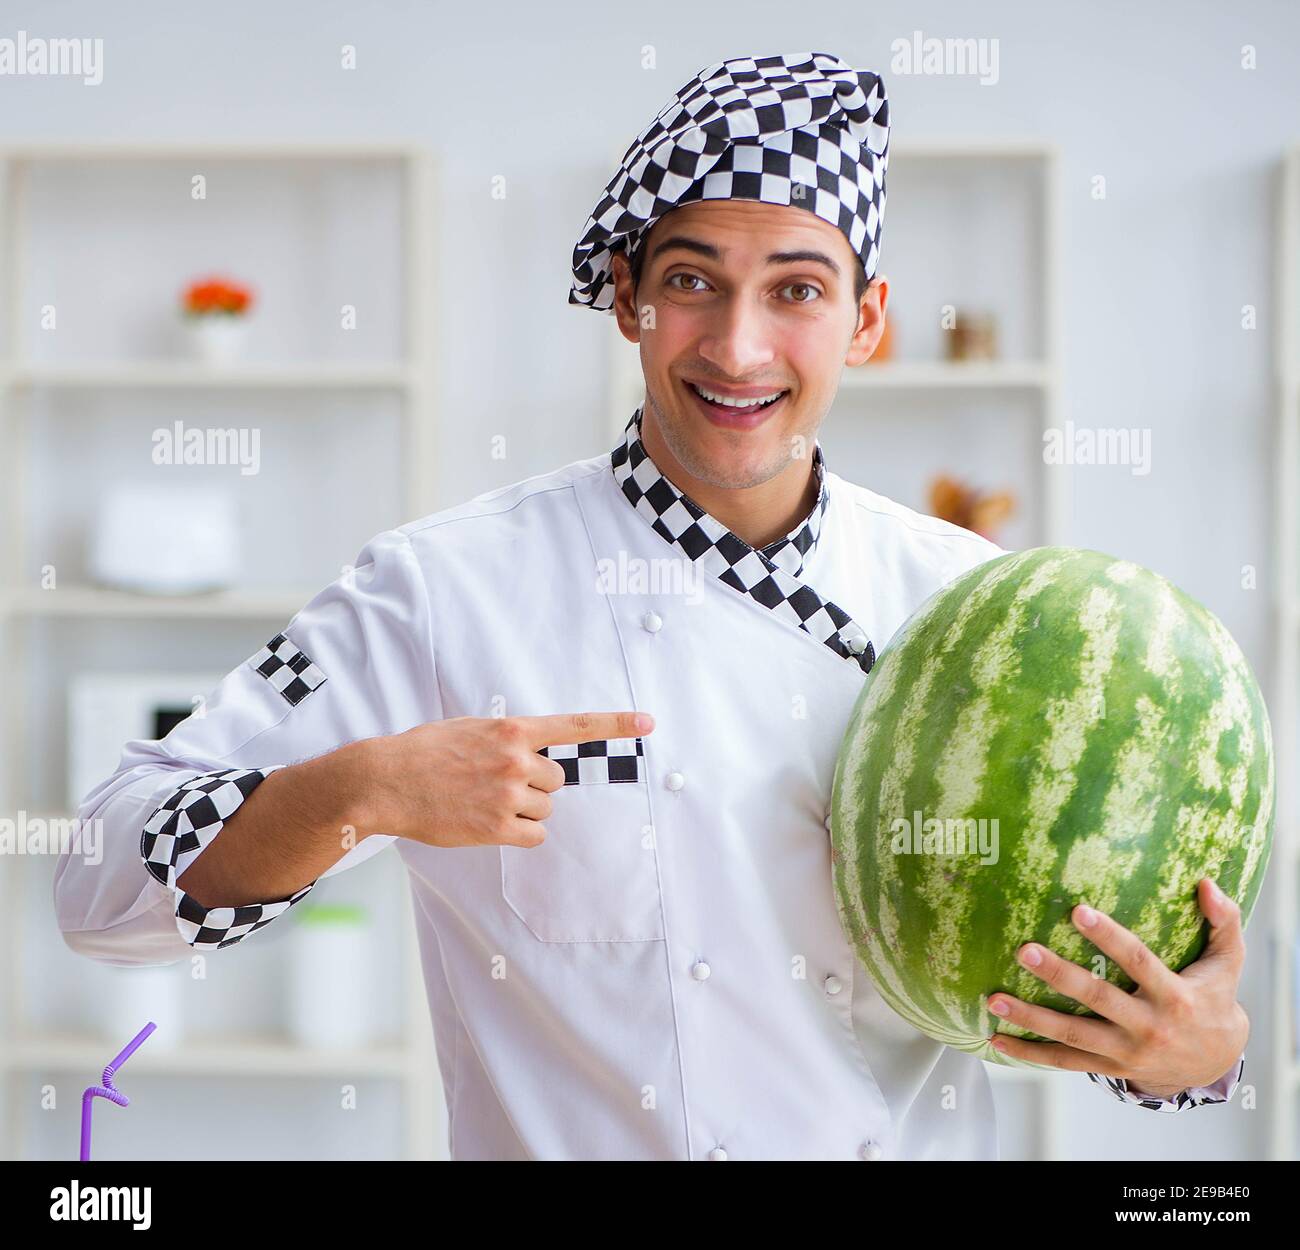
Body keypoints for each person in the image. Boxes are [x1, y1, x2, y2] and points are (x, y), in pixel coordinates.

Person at [55, 51, 1245, 1160]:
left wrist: (1190, 1056)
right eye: (691, 282)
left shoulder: (968, 603)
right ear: (625, 294)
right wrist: (362, 788)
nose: (737, 347)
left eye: (795, 290)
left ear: (867, 321)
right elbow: (104, 882)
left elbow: (1087, 983)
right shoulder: (441, 588)